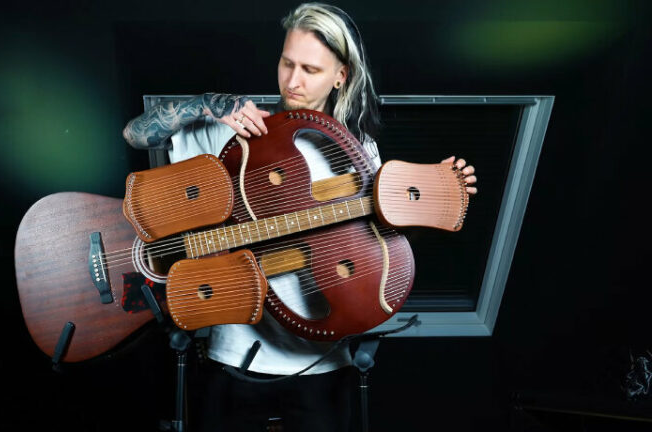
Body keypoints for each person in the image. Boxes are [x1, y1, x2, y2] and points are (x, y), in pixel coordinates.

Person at [123, 3, 477, 431]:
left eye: (310, 69)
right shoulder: (235, 131)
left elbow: (378, 250)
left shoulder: (358, 153)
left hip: (323, 369)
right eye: (287, 63)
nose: (293, 81)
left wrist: (433, 203)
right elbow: (136, 133)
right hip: (233, 361)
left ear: (340, 75)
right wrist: (207, 106)